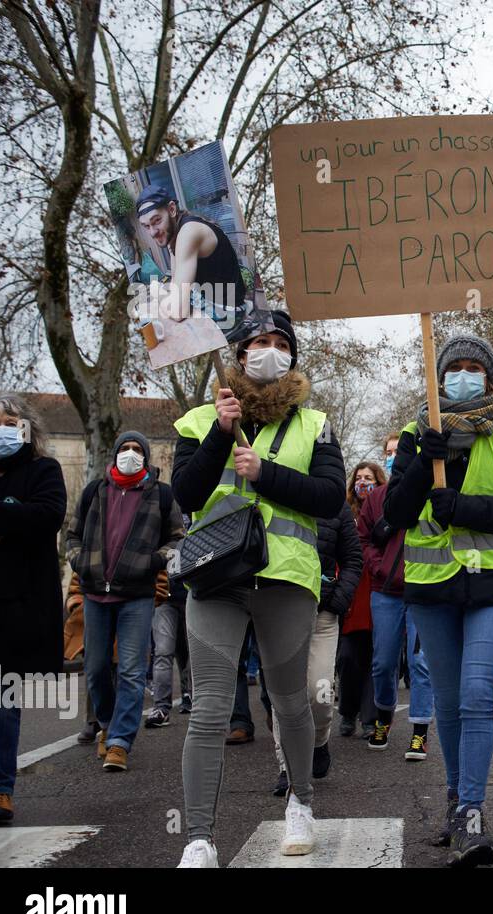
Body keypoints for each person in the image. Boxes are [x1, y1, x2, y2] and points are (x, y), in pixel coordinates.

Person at [171, 310, 345, 867]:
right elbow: (188, 495)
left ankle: (300, 801)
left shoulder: (314, 423)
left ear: (292, 354)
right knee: (211, 709)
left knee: (290, 699)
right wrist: (221, 438)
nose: (268, 351)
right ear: (239, 352)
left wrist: (264, 474)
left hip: (285, 580)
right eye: (257, 343)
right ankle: (198, 837)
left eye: (279, 343)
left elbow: (330, 498)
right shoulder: (200, 420)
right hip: (217, 578)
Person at [382, 334, 493, 867]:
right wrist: (426, 462)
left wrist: (464, 507)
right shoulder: (416, 432)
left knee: (477, 693)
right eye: (455, 368)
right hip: (432, 587)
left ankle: (472, 811)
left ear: (490, 378)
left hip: (492, 584)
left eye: (476, 368)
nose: (465, 376)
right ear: (439, 376)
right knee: (447, 701)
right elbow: (397, 515)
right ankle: (455, 801)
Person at [65, 430, 183, 772]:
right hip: (95, 594)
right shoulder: (94, 492)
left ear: (146, 457)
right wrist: (79, 561)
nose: (130, 454)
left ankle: (119, 742)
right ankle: (106, 723)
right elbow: (73, 535)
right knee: (97, 668)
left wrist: (153, 562)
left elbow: (176, 539)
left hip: (137, 596)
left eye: (137, 449)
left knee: (132, 671)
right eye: (125, 448)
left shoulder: (160, 494)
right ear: (115, 453)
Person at [0, 394, 67, 824]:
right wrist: (8, 518)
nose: (1, 428)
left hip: (18, 605)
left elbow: (45, 517)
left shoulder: (43, 471)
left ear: (27, 427)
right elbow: (22, 522)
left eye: (10, 420)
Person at [269, 495, 362, 796]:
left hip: (322, 613)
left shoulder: (333, 503)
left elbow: (352, 559)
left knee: (320, 694)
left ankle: (320, 740)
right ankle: (288, 767)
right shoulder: (270, 490)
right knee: (284, 695)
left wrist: (338, 600)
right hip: (278, 611)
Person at [357, 433, 435, 756]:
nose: (392, 457)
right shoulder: (377, 498)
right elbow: (363, 540)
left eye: (396, 452)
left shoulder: (431, 493)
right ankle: (383, 718)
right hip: (385, 592)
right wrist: (380, 569)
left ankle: (420, 731)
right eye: (387, 453)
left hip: (421, 591)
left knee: (421, 662)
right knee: (383, 661)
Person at [135, 184, 250, 329]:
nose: (152, 232)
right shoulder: (176, 234)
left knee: (163, 322)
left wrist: (161, 298)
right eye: (146, 226)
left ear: (171, 209)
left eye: (157, 221)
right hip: (210, 302)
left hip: (230, 313)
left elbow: (178, 312)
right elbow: (174, 283)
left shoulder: (189, 231)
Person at [337, 462, 383, 737]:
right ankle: (347, 710)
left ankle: (369, 718)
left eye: (369, 478)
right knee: (347, 658)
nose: (363, 482)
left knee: (374, 658)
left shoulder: (385, 510)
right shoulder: (344, 512)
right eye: (359, 478)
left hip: (377, 588)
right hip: (351, 592)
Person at [147, 563, 194, 728]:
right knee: (163, 651)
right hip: (164, 597)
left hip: (194, 592)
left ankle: (189, 695)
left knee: (192, 653)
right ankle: (161, 708)